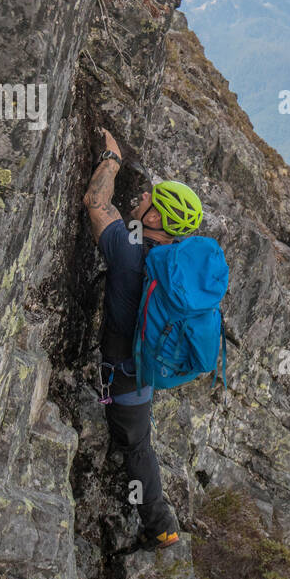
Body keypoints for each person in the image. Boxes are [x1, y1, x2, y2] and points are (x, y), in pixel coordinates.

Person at [83, 126, 204, 550]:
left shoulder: (127, 247)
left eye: (150, 198)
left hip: (123, 378)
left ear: (154, 219)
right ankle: (159, 518)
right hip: (149, 366)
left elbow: (97, 203)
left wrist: (111, 159)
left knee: (136, 446)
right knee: (139, 436)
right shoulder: (173, 259)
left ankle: (160, 524)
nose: (142, 198)